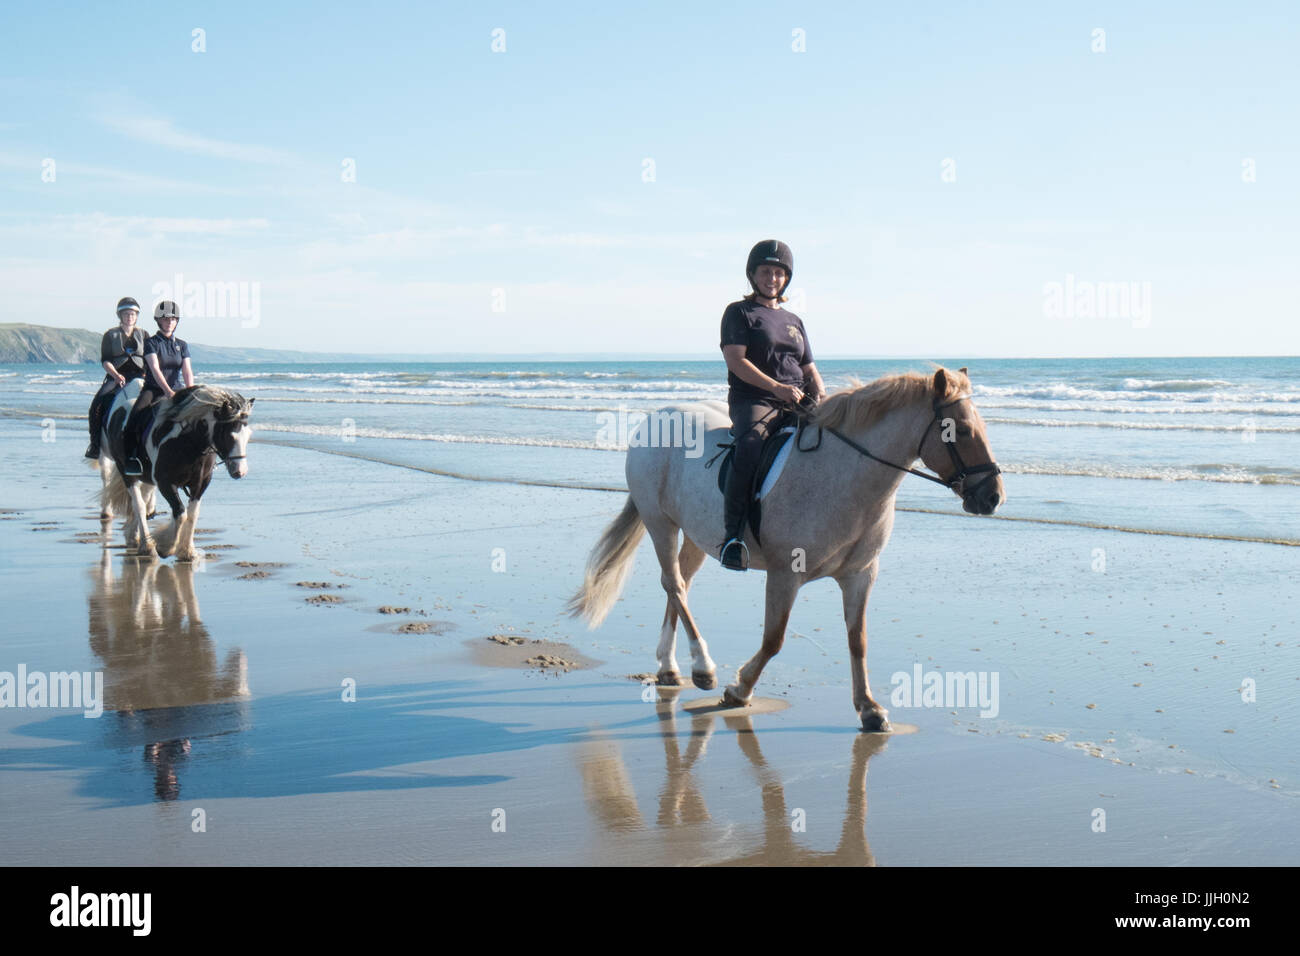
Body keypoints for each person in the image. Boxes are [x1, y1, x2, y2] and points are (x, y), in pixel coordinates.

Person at [718, 240, 827, 570]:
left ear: (787, 278)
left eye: (779, 273)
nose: (773, 278)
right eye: (766, 271)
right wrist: (776, 388)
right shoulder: (739, 313)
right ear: (753, 274)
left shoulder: (794, 320)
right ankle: (733, 537)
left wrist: (821, 395)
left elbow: (808, 368)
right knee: (750, 446)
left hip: (796, 401)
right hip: (754, 400)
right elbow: (736, 362)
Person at [122, 300, 193, 476]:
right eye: (166, 319)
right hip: (153, 390)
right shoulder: (151, 343)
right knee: (134, 418)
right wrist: (168, 391)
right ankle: (131, 459)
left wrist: (191, 391)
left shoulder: (182, 345)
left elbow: (187, 371)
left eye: (173, 319)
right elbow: (155, 369)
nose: (170, 322)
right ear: (159, 321)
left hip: (179, 389)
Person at [85, 297, 147, 459]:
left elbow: (150, 358)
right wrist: (116, 375)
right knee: (97, 405)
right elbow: (106, 360)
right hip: (116, 377)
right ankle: (95, 445)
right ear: (120, 315)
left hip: (140, 376)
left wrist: (147, 374)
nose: (130, 317)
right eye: (126, 314)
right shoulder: (110, 335)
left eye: (133, 314)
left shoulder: (144, 334)